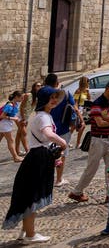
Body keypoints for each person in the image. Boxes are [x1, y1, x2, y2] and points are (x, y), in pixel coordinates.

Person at [2, 86, 68, 243]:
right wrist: (62, 142)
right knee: (33, 196)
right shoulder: (43, 117)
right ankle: (30, 235)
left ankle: (26, 232)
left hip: (35, 156)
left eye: (55, 98)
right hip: (39, 157)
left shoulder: (39, 115)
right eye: (51, 98)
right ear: (44, 99)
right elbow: (48, 133)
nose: (54, 101)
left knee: (29, 194)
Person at [69, 79, 109, 202]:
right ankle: (77, 192)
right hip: (98, 140)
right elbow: (100, 123)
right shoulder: (97, 103)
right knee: (92, 168)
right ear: (107, 89)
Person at [0, 90, 24, 163]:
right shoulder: (9, 105)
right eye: (21, 98)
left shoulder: (15, 104)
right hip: (4, 124)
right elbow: (2, 116)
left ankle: (15, 157)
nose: (22, 99)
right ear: (16, 97)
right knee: (11, 140)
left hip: (6, 124)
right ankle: (15, 157)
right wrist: (13, 118)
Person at [73, 76, 91, 149]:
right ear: (85, 82)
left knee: (80, 126)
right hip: (79, 109)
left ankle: (77, 143)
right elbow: (75, 102)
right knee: (77, 126)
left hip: (85, 110)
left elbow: (89, 99)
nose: (88, 84)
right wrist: (77, 111)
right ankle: (76, 143)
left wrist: (88, 92)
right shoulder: (78, 91)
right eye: (88, 82)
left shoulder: (86, 91)